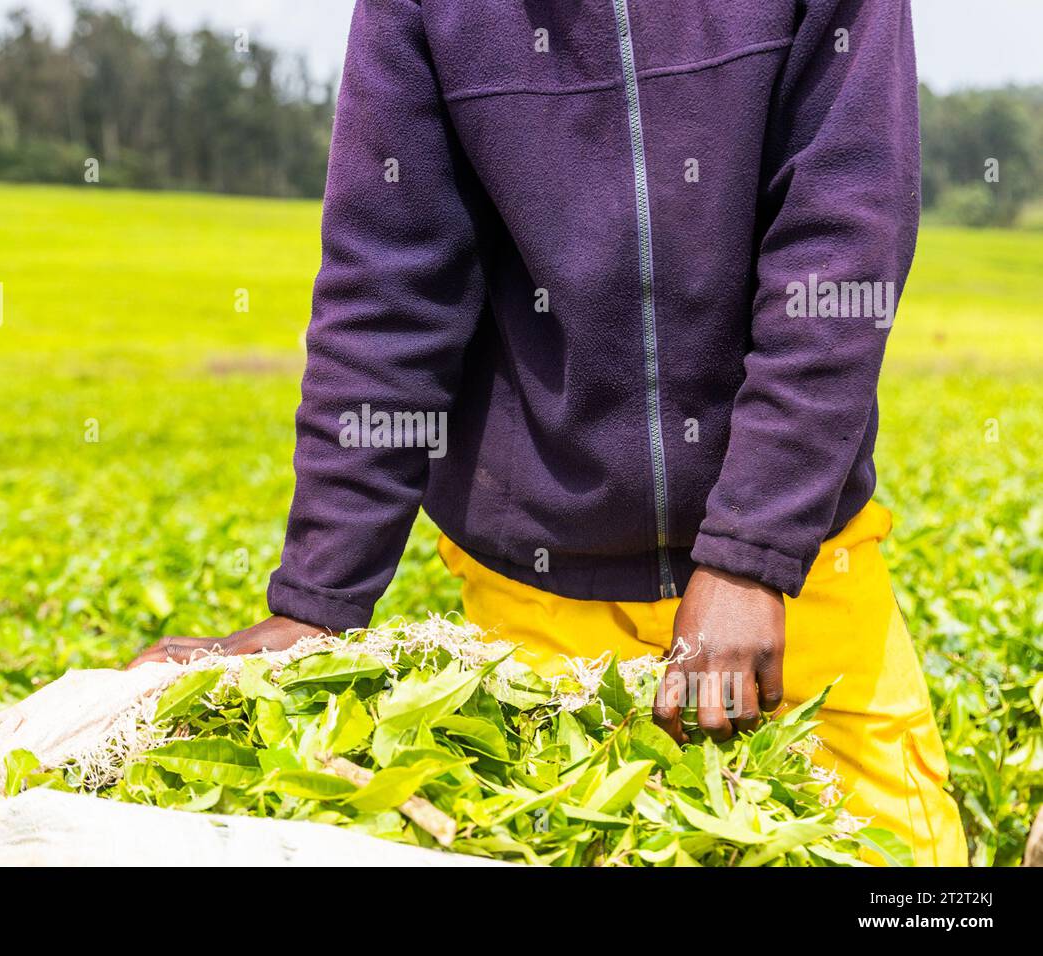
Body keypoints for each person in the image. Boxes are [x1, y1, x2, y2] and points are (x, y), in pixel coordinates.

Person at [131, 0, 966, 865]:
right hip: (536, 598)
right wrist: (316, 605)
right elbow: (387, 299)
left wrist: (749, 555)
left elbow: (839, 254)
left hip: (796, 583)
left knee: (910, 873)